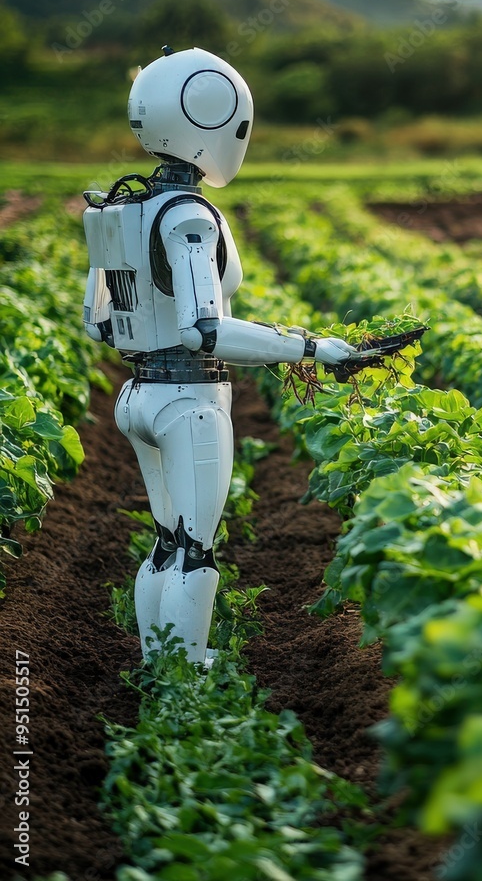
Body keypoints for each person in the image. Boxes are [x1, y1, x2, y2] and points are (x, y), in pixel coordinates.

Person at [81, 45, 359, 665]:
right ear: (213, 115)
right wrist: (309, 349)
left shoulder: (120, 208)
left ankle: (159, 669)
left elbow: (97, 321)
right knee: (196, 548)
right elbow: (205, 329)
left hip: (136, 395)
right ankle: (183, 683)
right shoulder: (188, 216)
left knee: (164, 541)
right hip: (190, 401)